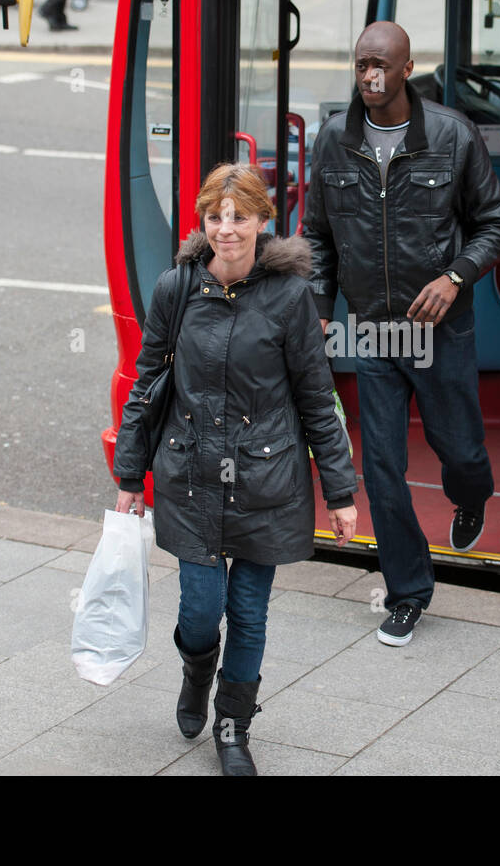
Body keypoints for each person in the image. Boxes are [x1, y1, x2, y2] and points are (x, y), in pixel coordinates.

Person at [113, 164, 358, 776]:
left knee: (249, 612)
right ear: (203, 220)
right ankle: (197, 669)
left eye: (239, 217)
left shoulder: (291, 296)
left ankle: (233, 726)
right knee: (200, 611)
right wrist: (127, 477)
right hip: (190, 474)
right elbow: (147, 382)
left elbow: (316, 396)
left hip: (266, 480)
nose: (226, 229)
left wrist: (340, 491)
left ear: (261, 222)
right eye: (216, 217)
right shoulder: (177, 288)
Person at [303, 21, 500, 647]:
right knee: (383, 467)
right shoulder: (333, 143)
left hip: (441, 331)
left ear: (406, 68)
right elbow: (317, 233)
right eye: (361, 62)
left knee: (462, 450)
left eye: (381, 64)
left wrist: (455, 276)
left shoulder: (452, 135)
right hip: (375, 331)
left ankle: (471, 495)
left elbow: (496, 224)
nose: (369, 75)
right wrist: (320, 304)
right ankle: (407, 593)